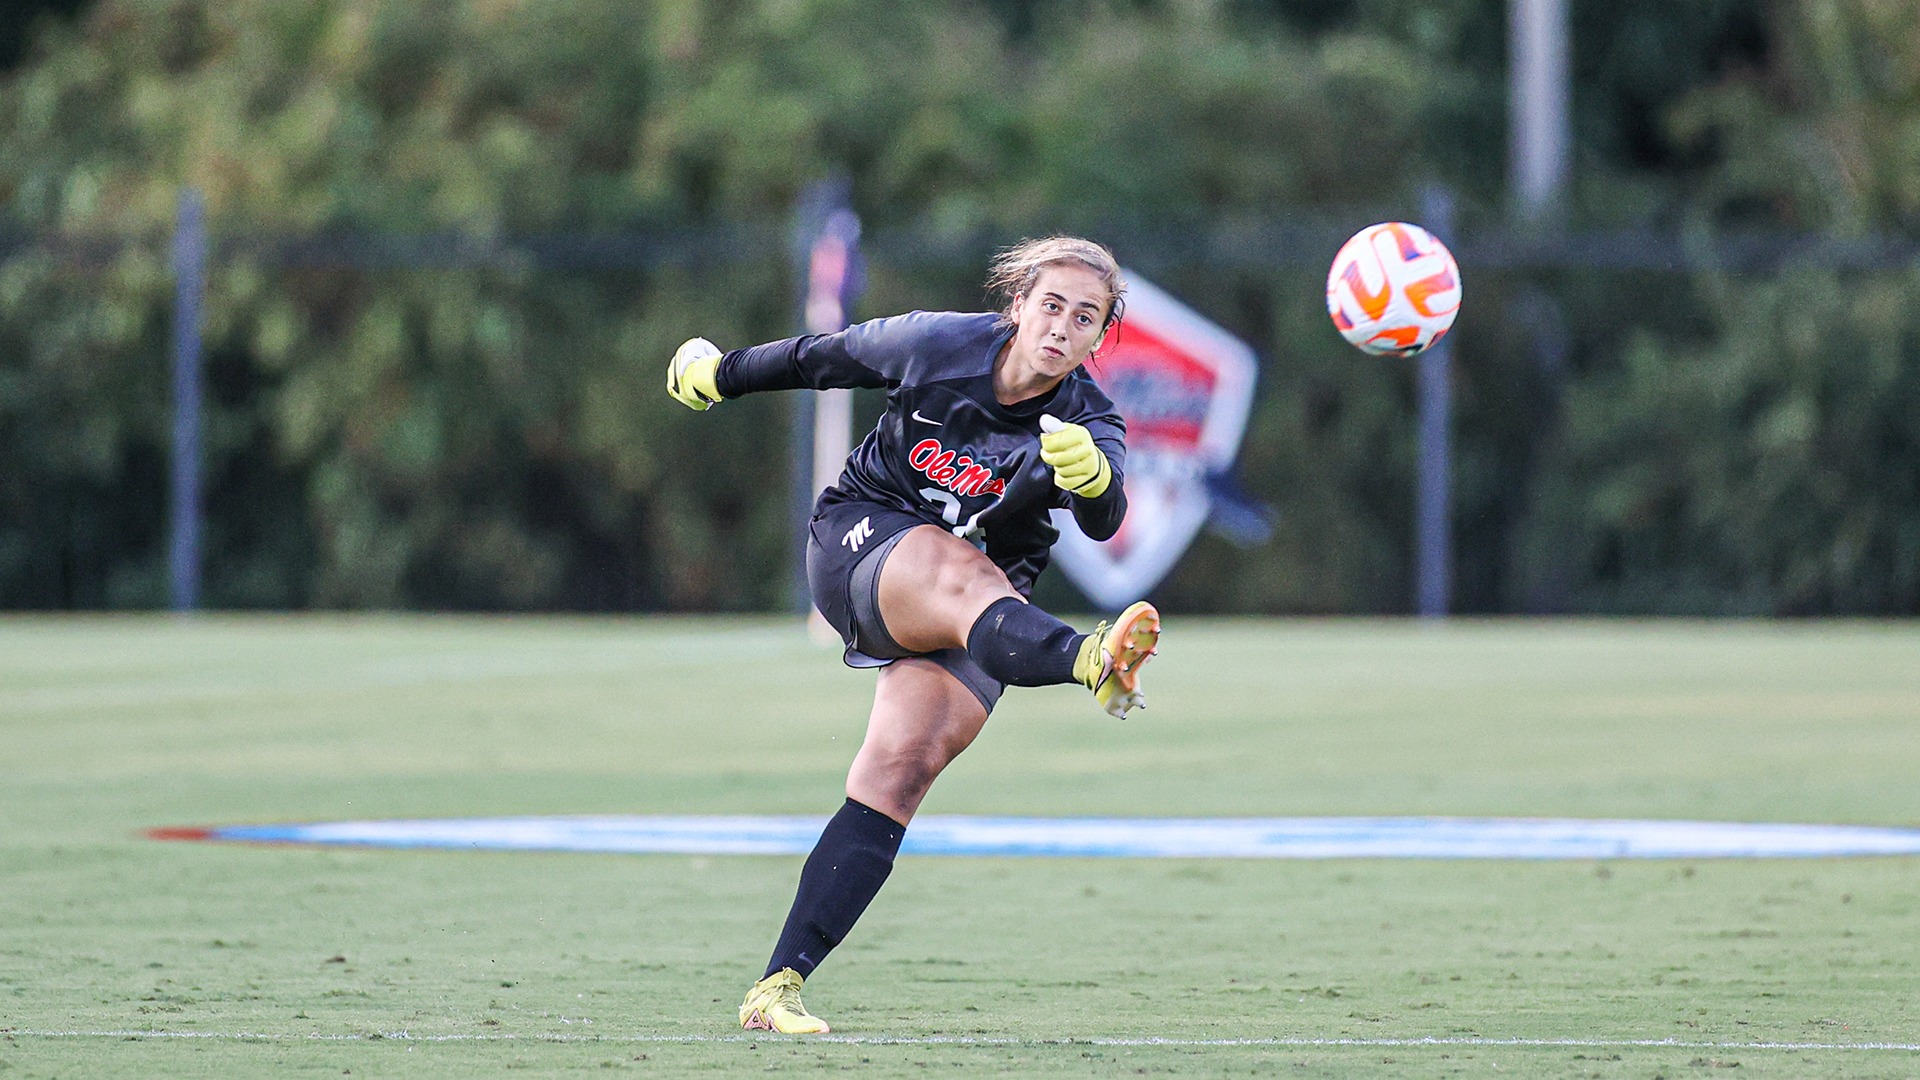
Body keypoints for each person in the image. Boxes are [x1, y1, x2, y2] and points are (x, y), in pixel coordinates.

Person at [666, 235, 1161, 1034]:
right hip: (861, 544)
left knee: (902, 769)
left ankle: (778, 985)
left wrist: (1095, 479)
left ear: (1101, 338)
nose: (1063, 327)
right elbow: (820, 357)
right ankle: (1090, 659)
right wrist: (717, 375)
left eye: (1085, 318)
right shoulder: (940, 345)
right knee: (961, 570)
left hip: (986, 613)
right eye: (1051, 306)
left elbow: (1106, 520)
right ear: (1018, 305)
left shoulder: (1088, 418)